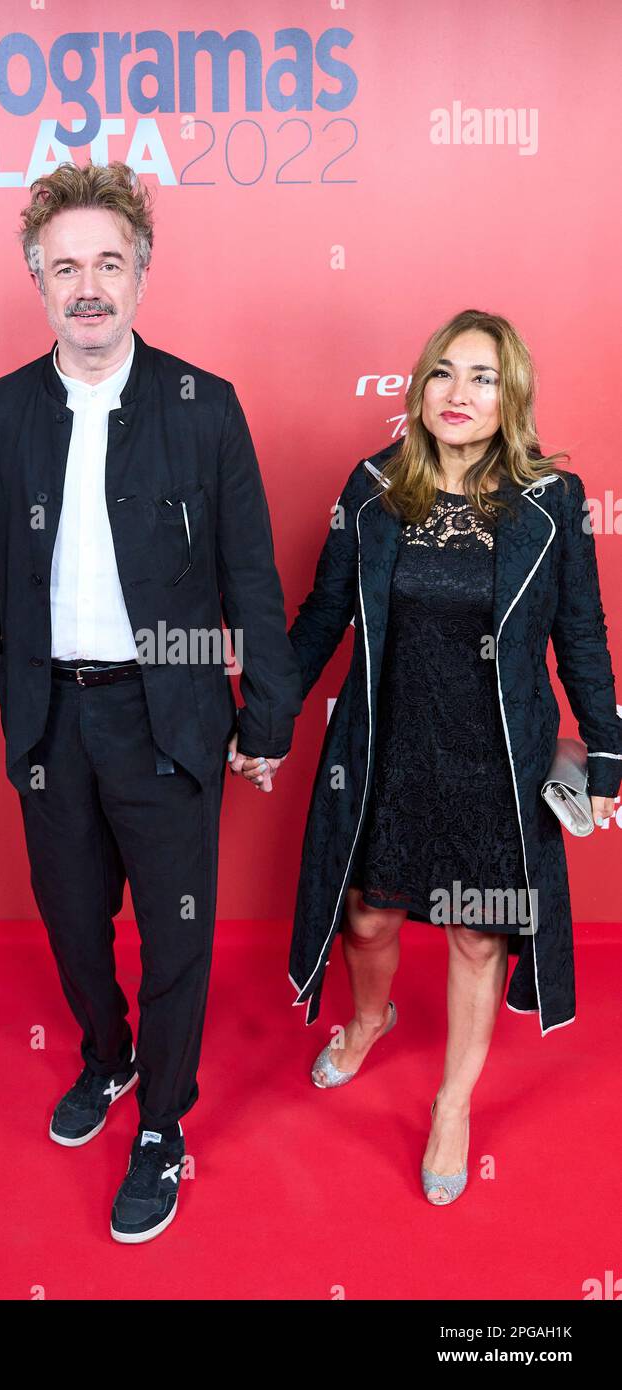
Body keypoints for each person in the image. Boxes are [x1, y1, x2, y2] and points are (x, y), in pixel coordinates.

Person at [0, 160, 301, 1243]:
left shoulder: (204, 406)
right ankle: (106, 1056)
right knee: (71, 918)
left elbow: (250, 580)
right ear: (37, 282)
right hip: (49, 717)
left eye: (107, 263)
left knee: (176, 935)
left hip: (167, 719)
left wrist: (267, 719)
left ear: (141, 274)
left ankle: (161, 1123)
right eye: (66, 268)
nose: (87, 286)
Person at [241, 308, 622, 1204]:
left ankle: (452, 1104)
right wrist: (267, 719)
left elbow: (581, 636)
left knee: (477, 933)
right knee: (368, 918)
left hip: (497, 759)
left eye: (482, 378)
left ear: (510, 396)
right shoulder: (374, 488)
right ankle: (370, 1019)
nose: (458, 393)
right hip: (388, 747)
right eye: (443, 372)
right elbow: (322, 616)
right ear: (419, 387)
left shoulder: (552, 502)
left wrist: (607, 755)